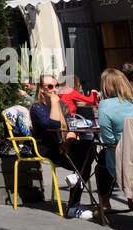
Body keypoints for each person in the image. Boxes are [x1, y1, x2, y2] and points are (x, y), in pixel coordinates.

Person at [29, 73, 96, 219]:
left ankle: (75, 181)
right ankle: (73, 206)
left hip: (63, 146)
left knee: (88, 146)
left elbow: (71, 127)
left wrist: (67, 142)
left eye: (57, 86)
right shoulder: (37, 108)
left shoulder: (63, 105)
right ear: (41, 89)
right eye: (50, 87)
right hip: (47, 148)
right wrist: (54, 102)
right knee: (83, 163)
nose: (54, 90)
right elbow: (52, 125)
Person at [96, 68, 133, 204]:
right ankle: (132, 199)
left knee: (100, 163)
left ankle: (105, 203)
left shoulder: (105, 105)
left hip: (121, 156)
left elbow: (108, 139)